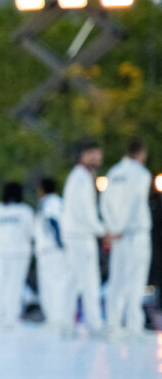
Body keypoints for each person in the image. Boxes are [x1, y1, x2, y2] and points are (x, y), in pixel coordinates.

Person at [100, 139, 153, 339]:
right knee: (136, 280)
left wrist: (112, 228)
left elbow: (104, 202)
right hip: (134, 234)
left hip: (117, 236)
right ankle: (133, 326)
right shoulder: (141, 174)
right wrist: (123, 228)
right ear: (142, 154)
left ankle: (113, 323)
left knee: (117, 280)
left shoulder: (114, 173)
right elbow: (135, 202)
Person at [61, 138, 109, 337]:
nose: (98, 158)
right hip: (81, 236)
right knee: (89, 281)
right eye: (94, 154)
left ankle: (66, 324)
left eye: (99, 154)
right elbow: (86, 212)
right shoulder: (81, 178)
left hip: (75, 235)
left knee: (73, 280)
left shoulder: (79, 176)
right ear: (83, 155)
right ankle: (95, 325)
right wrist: (102, 231)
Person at [0, 182, 35, 329]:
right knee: (15, 286)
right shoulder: (25, 211)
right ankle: (10, 318)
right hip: (19, 253)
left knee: (0, 284)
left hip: (1, 253)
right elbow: (30, 232)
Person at [34, 177, 70, 332]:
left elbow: (53, 221)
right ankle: (54, 318)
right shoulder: (51, 202)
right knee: (52, 284)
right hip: (50, 250)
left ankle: (56, 318)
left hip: (52, 250)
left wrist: (59, 243)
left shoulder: (52, 202)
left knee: (54, 284)